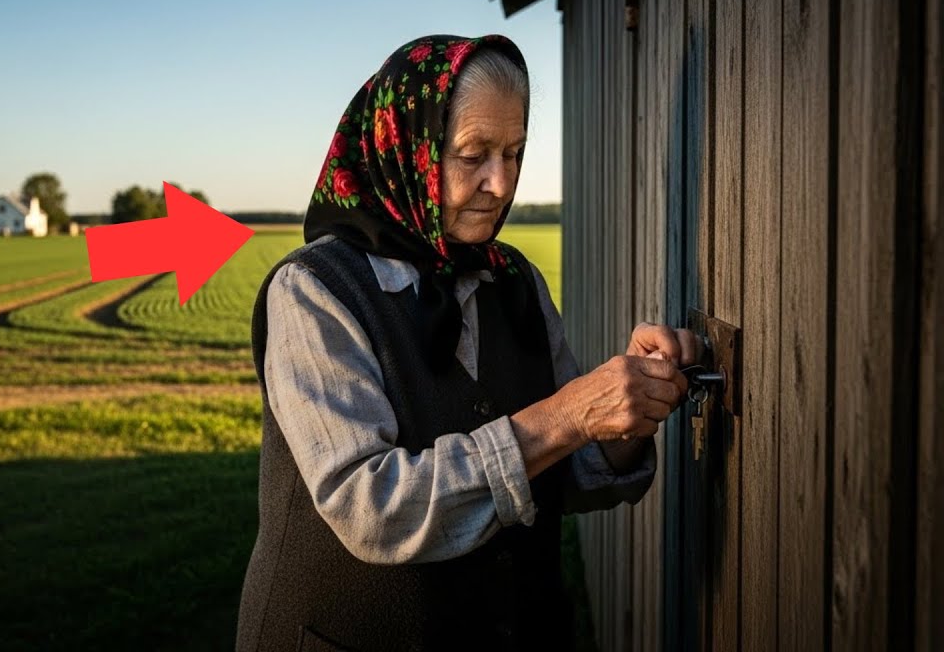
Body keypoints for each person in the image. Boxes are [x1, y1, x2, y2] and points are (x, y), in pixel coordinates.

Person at [236, 34, 701, 651]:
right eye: (472, 154)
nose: (501, 184)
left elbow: (570, 474)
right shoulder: (314, 293)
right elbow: (371, 508)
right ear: (403, 148)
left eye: (514, 152)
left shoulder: (514, 282)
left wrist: (629, 411)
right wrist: (567, 413)